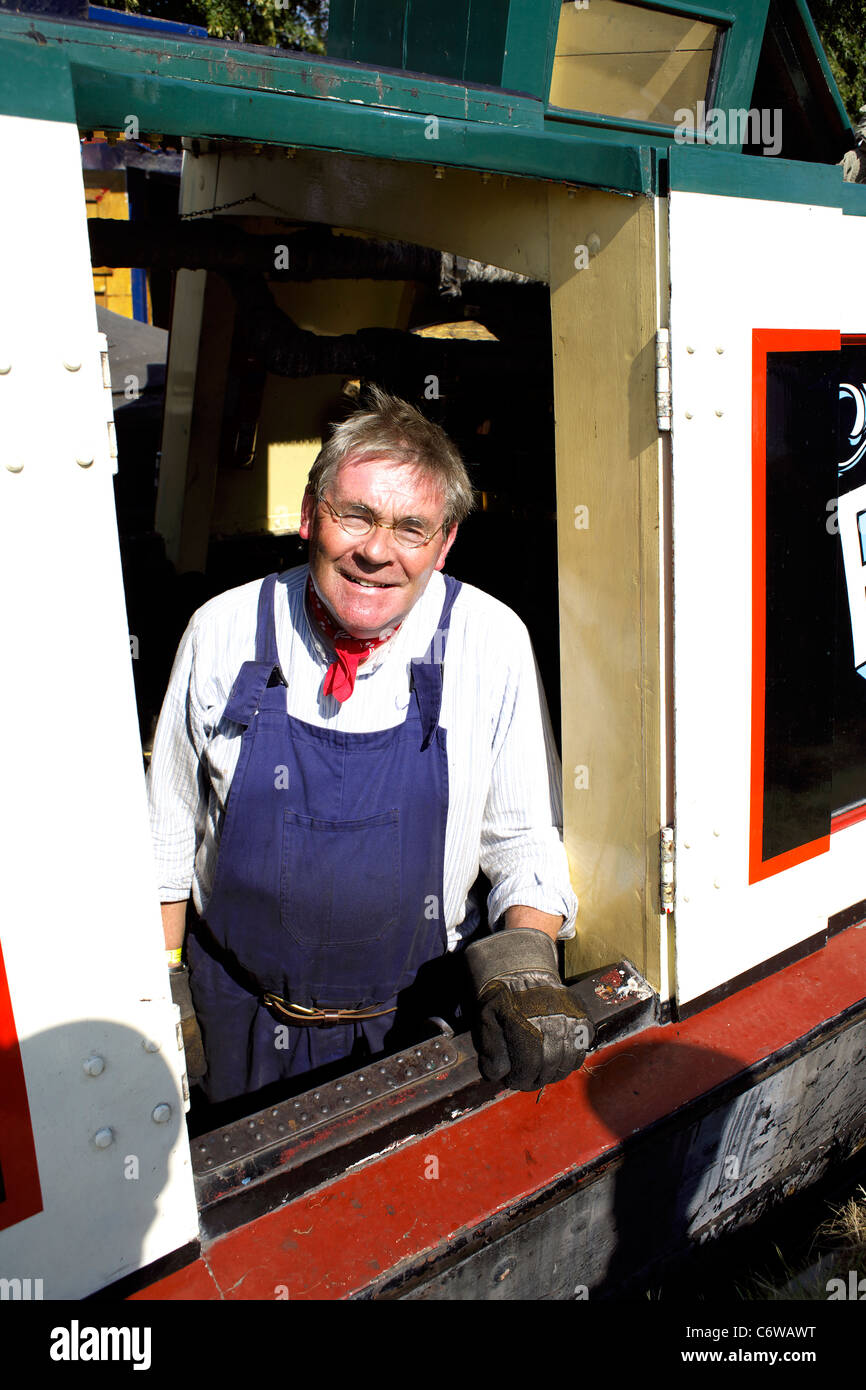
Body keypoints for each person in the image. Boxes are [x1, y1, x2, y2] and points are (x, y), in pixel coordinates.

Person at [147, 387, 588, 1105]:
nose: (376, 553)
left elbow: (523, 841)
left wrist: (526, 968)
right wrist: (163, 995)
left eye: (412, 529)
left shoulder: (492, 641)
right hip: (237, 1021)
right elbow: (165, 841)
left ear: (443, 545)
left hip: (416, 1027)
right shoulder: (221, 630)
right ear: (308, 518)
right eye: (355, 516)